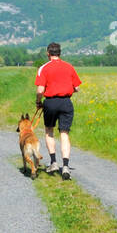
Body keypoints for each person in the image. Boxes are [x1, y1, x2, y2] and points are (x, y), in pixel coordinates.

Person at [35, 42, 82, 180]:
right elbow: (77, 88)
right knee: (64, 133)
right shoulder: (69, 67)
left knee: (49, 130)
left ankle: (54, 162)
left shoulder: (43, 68)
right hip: (66, 102)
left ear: (48, 53)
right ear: (60, 53)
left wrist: (38, 102)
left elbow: (40, 90)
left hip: (50, 103)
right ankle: (66, 166)